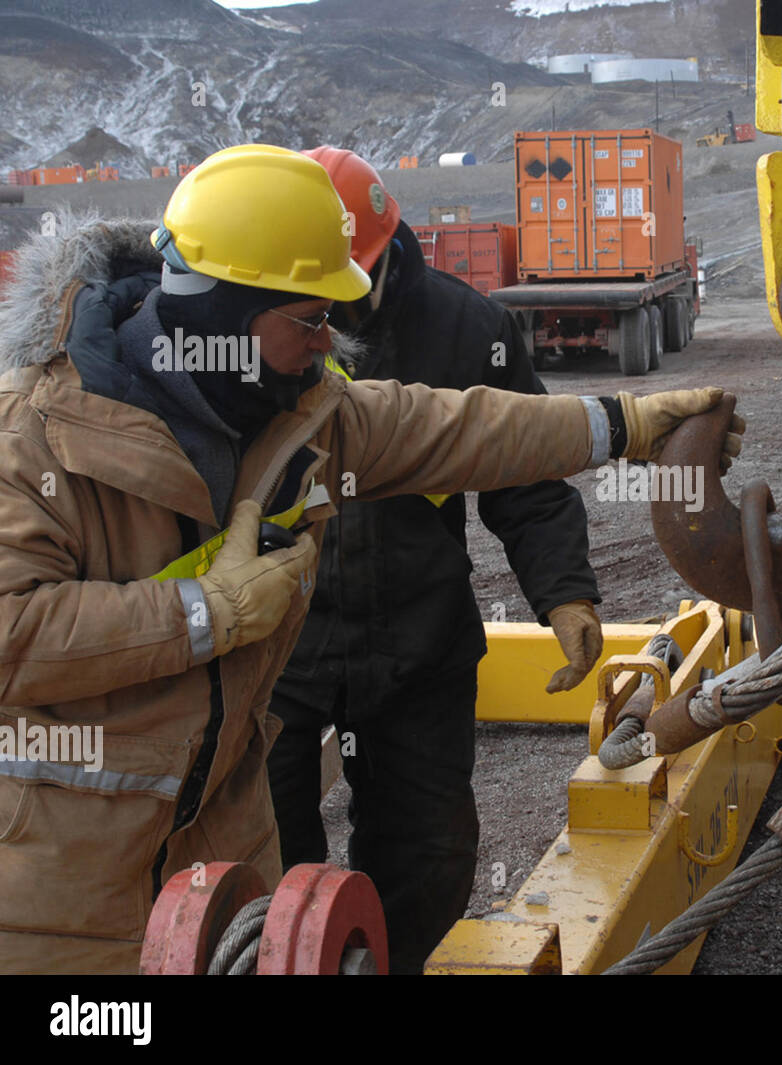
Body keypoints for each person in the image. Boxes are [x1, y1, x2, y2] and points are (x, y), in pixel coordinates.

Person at [0, 143, 742, 974]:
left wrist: (627, 426)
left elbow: (460, 428)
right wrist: (207, 612)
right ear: (228, 313)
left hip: (218, 869)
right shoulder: (34, 439)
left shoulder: (298, 414)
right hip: (65, 896)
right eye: (311, 319)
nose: (330, 342)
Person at [267, 147, 601, 973]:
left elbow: (526, 475)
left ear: (389, 250)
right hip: (284, 650)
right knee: (265, 851)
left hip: (418, 640)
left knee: (426, 852)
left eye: (357, 278)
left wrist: (565, 595)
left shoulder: (467, 330)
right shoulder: (260, 334)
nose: (337, 309)